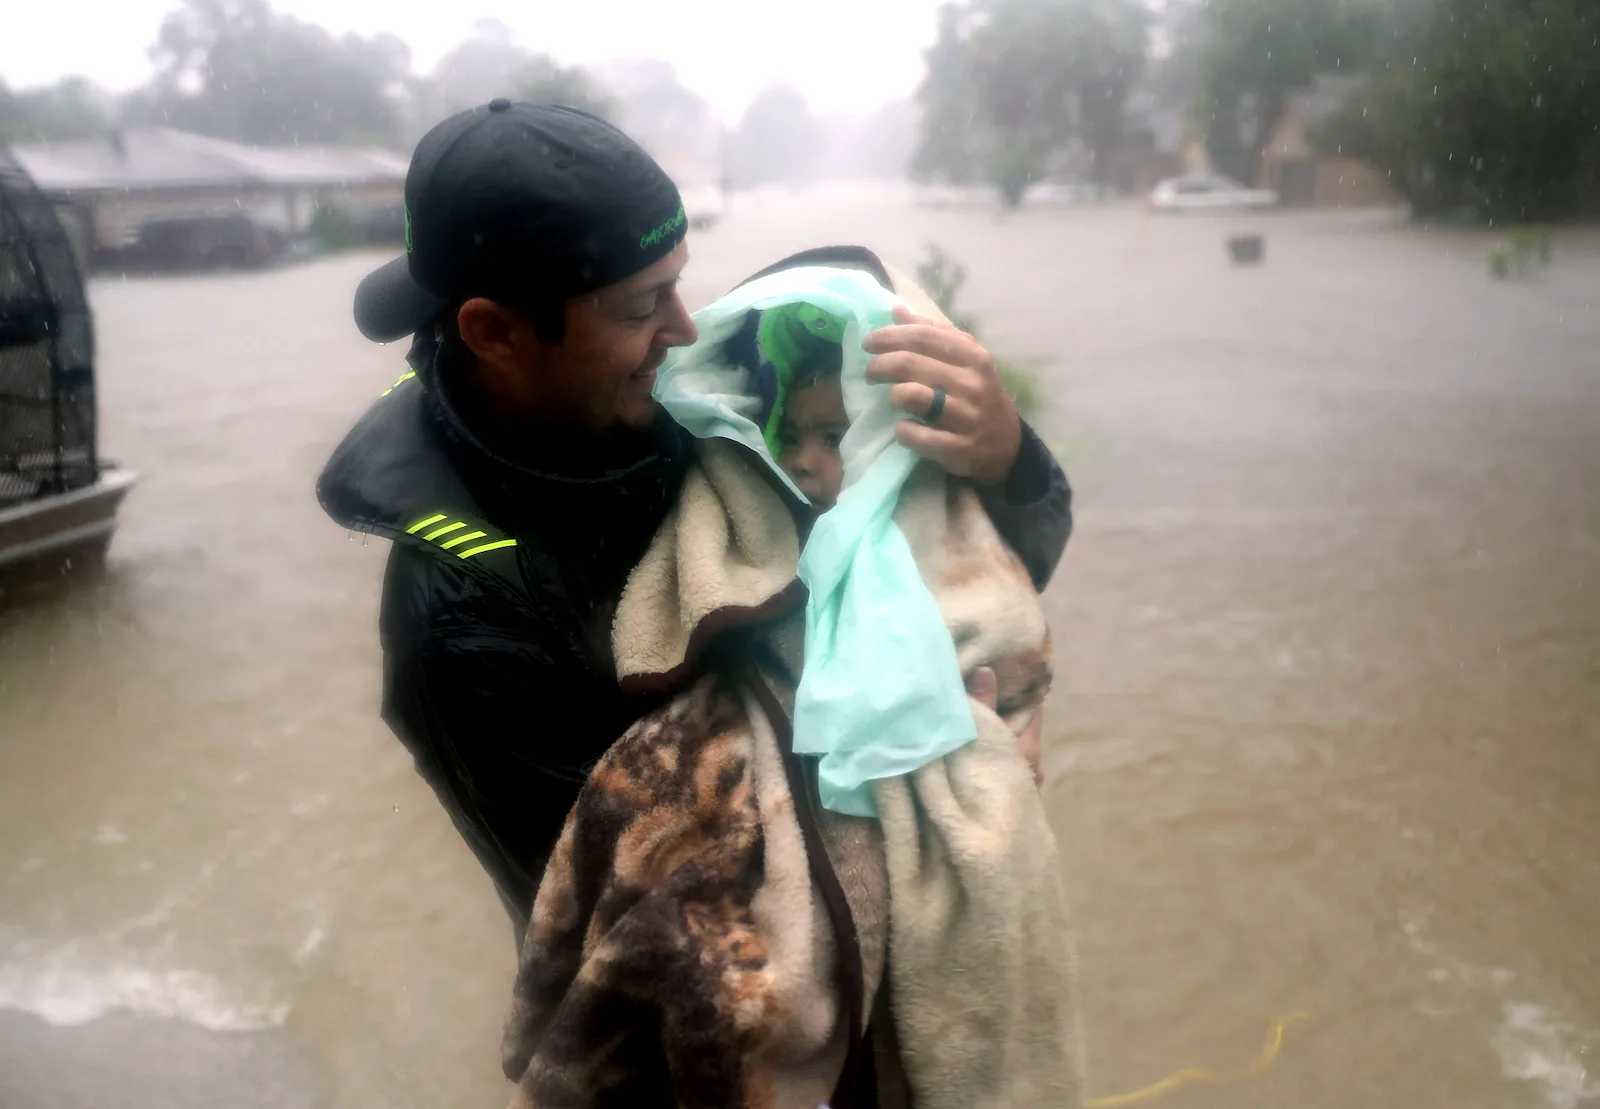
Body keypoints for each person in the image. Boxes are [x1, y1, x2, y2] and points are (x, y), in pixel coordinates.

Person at [316, 99, 1073, 935]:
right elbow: (652, 927)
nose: (683, 331)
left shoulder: (695, 393)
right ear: (493, 331)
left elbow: (950, 570)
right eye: (641, 308)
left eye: (679, 284)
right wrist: (963, 798)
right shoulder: (461, 628)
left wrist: (1007, 461)